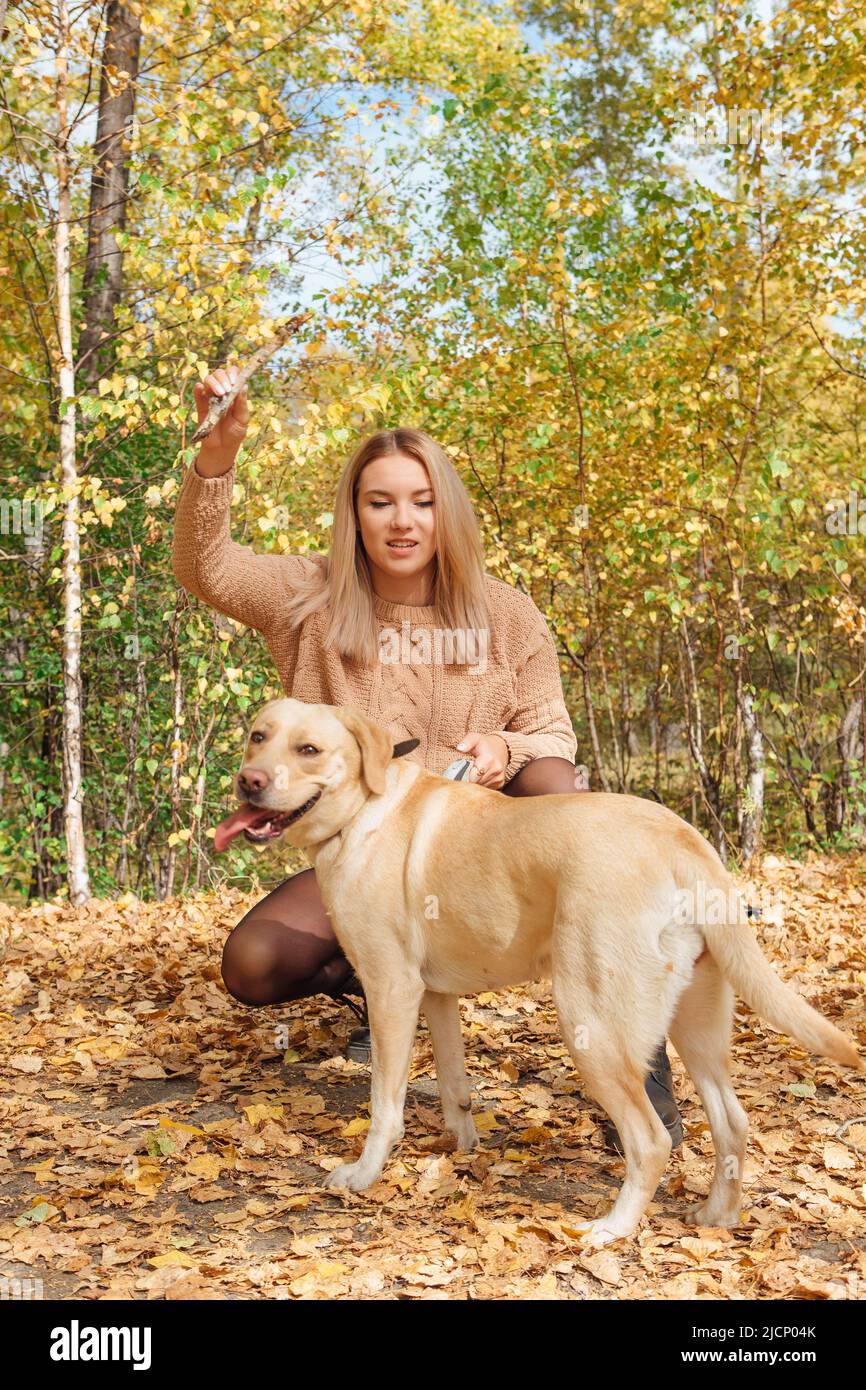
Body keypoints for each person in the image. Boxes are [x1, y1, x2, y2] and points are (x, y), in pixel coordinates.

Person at [171, 364, 683, 1152]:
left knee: (557, 783)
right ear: (355, 513)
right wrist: (219, 452)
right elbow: (207, 569)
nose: (401, 520)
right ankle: (388, 988)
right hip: (365, 854)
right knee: (256, 961)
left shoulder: (506, 614)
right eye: (380, 501)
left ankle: (642, 1069)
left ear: (447, 511)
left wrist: (503, 748)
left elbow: (552, 737)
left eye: (422, 500)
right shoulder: (308, 598)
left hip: (484, 847)